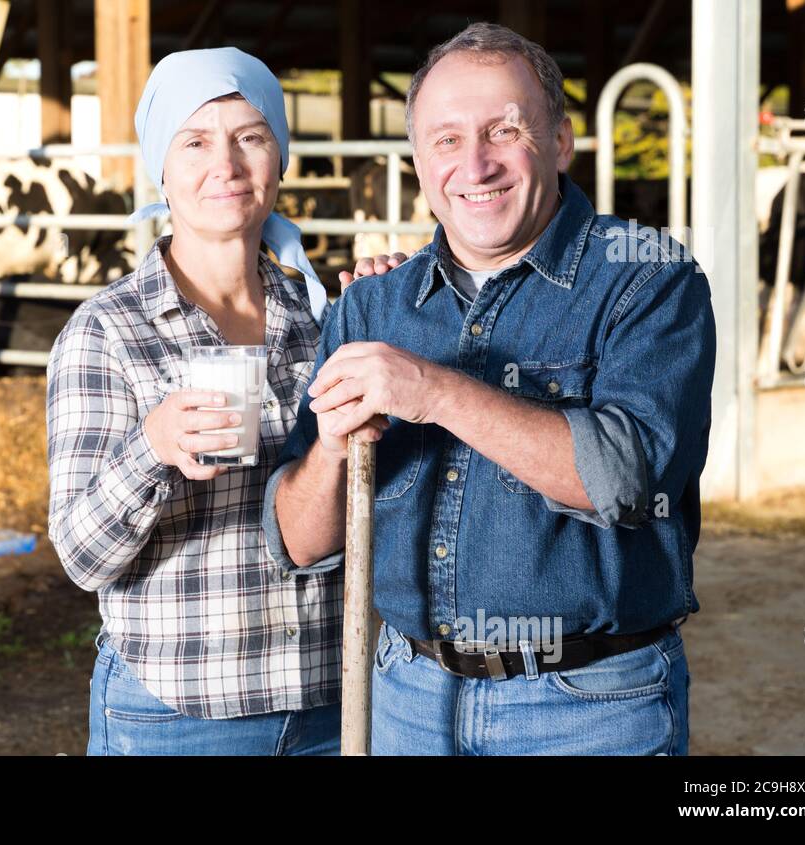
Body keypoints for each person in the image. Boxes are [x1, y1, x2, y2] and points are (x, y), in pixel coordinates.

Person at [264, 22, 716, 755]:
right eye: (445, 140)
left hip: (587, 709)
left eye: (503, 131)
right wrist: (332, 453)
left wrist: (433, 391)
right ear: (418, 162)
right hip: (409, 695)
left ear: (561, 142)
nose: (474, 164)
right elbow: (299, 540)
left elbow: (627, 480)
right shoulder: (373, 307)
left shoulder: (648, 279)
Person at [45, 47, 385, 755]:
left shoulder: (323, 317)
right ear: (160, 169)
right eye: (194, 141)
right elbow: (81, 556)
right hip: (180, 716)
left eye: (250, 137)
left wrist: (399, 318)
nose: (225, 166)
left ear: (280, 159)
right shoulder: (107, 330)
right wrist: (153, 449)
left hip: (336, 703)